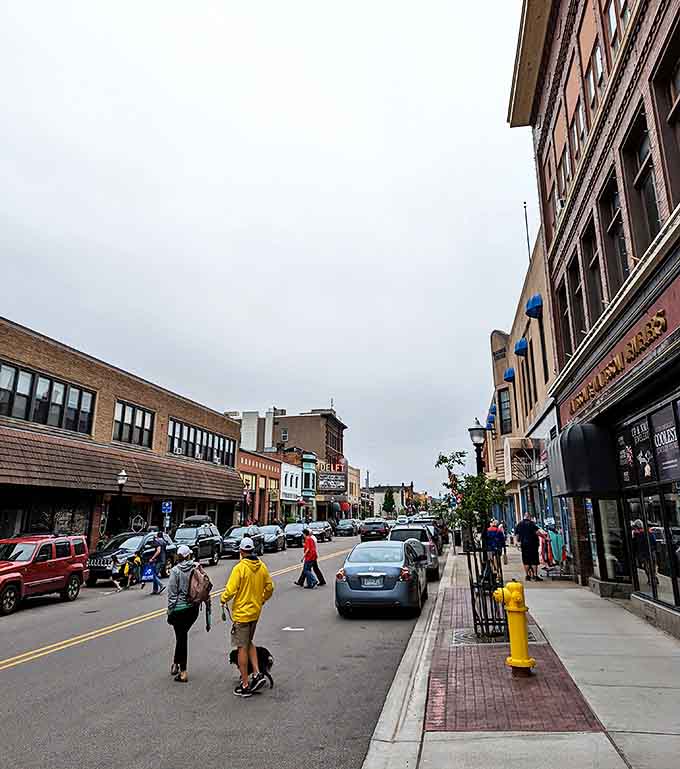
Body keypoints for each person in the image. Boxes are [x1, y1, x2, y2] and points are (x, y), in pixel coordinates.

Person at [220, 537, 274, 697]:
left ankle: (245, 684)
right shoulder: (261, 566)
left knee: (241, 648)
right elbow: (270, 587)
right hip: (255, 612)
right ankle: (257, 673)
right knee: (248, 642)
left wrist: (223, 599)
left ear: (241, 551)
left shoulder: (240, 568)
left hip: (242, 615)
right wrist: (262, 599)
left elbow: (230, 590)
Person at [167, 545, 200, 682]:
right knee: (181, 636)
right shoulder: (196, 567)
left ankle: (183, 671)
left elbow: (172, 593)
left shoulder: (175, 571)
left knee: (181, 637)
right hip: (193, 609)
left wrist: (170, 611)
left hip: (179, 609)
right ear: (189, 556)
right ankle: (175, 664)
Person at [514, 513, 542, 581]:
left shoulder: (519, 524)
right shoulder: (532, 524)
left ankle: (527, 576)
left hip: (524, 545)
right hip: (533, 545)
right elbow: (537, 532)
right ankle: (535, 576)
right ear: (529, 517)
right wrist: (544, 537)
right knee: (534, 560)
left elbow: (517, 535)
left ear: (524, 517)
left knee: (526, 560)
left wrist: (518, 542)